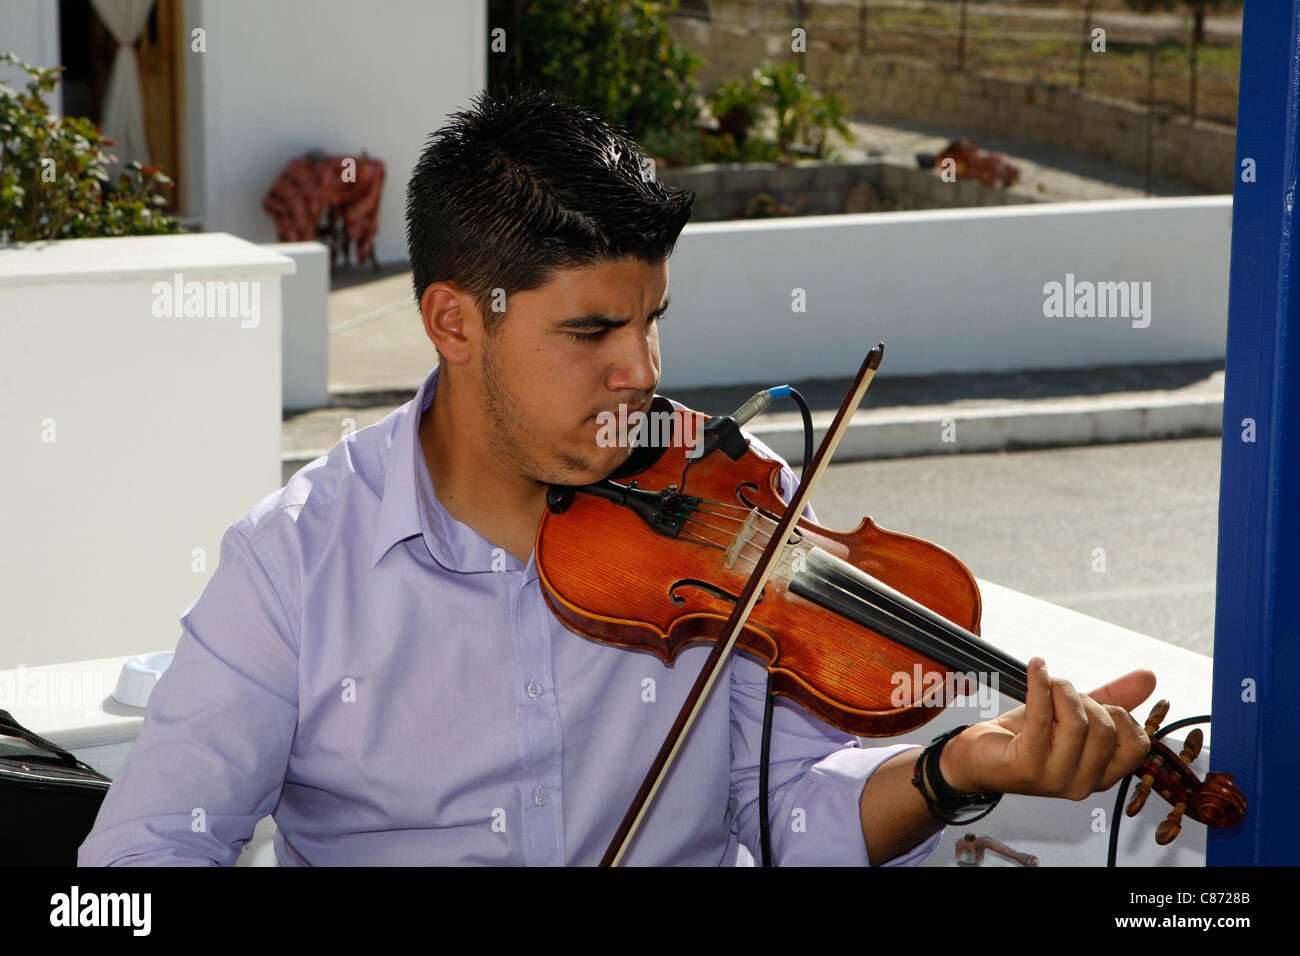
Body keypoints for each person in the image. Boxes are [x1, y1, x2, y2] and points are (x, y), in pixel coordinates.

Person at [78, 89, 1155, 867]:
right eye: (590, 330)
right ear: (454, 320)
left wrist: (953, 769)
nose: (641, 374)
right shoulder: (294, 558)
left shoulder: (738, 496)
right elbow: (145, 854)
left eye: (651, 323)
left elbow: (781, 813)